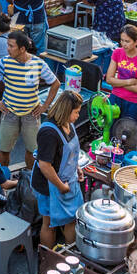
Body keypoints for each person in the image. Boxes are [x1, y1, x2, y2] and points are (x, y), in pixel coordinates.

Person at [0, 31, 59, 172]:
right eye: (8, 45)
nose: (8, 49)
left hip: (31, 114)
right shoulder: (4, 63)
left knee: (32, 151)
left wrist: (44, 107)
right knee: (3, 151)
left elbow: (55, 83)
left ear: (22, 49)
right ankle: (2, 181)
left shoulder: (38, 64)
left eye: (11, 46)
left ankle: (29, 180)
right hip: (9, 113)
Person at [32, 91, 84, 248]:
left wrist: (77, 167)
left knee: (71, 219)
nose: (78, 116)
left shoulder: (69, 124)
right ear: (66, 111)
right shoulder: (48, 132)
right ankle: (47, 260)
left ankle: (71, 255)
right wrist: (61, 186)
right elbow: (45, 165)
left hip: (69, 180)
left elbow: (70, 152)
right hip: (49, 185)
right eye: (76, 112)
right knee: (49, 224)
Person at [106, 24, 137, 122]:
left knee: (127, 133)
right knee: (111, 130)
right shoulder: (117, 52)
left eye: (127, 41)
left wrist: (117, 82)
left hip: (133, 103)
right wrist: (129, 82)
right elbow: (108, 79)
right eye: (122, 40)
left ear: (136, 42)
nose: (123, 44)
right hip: (115, 98)